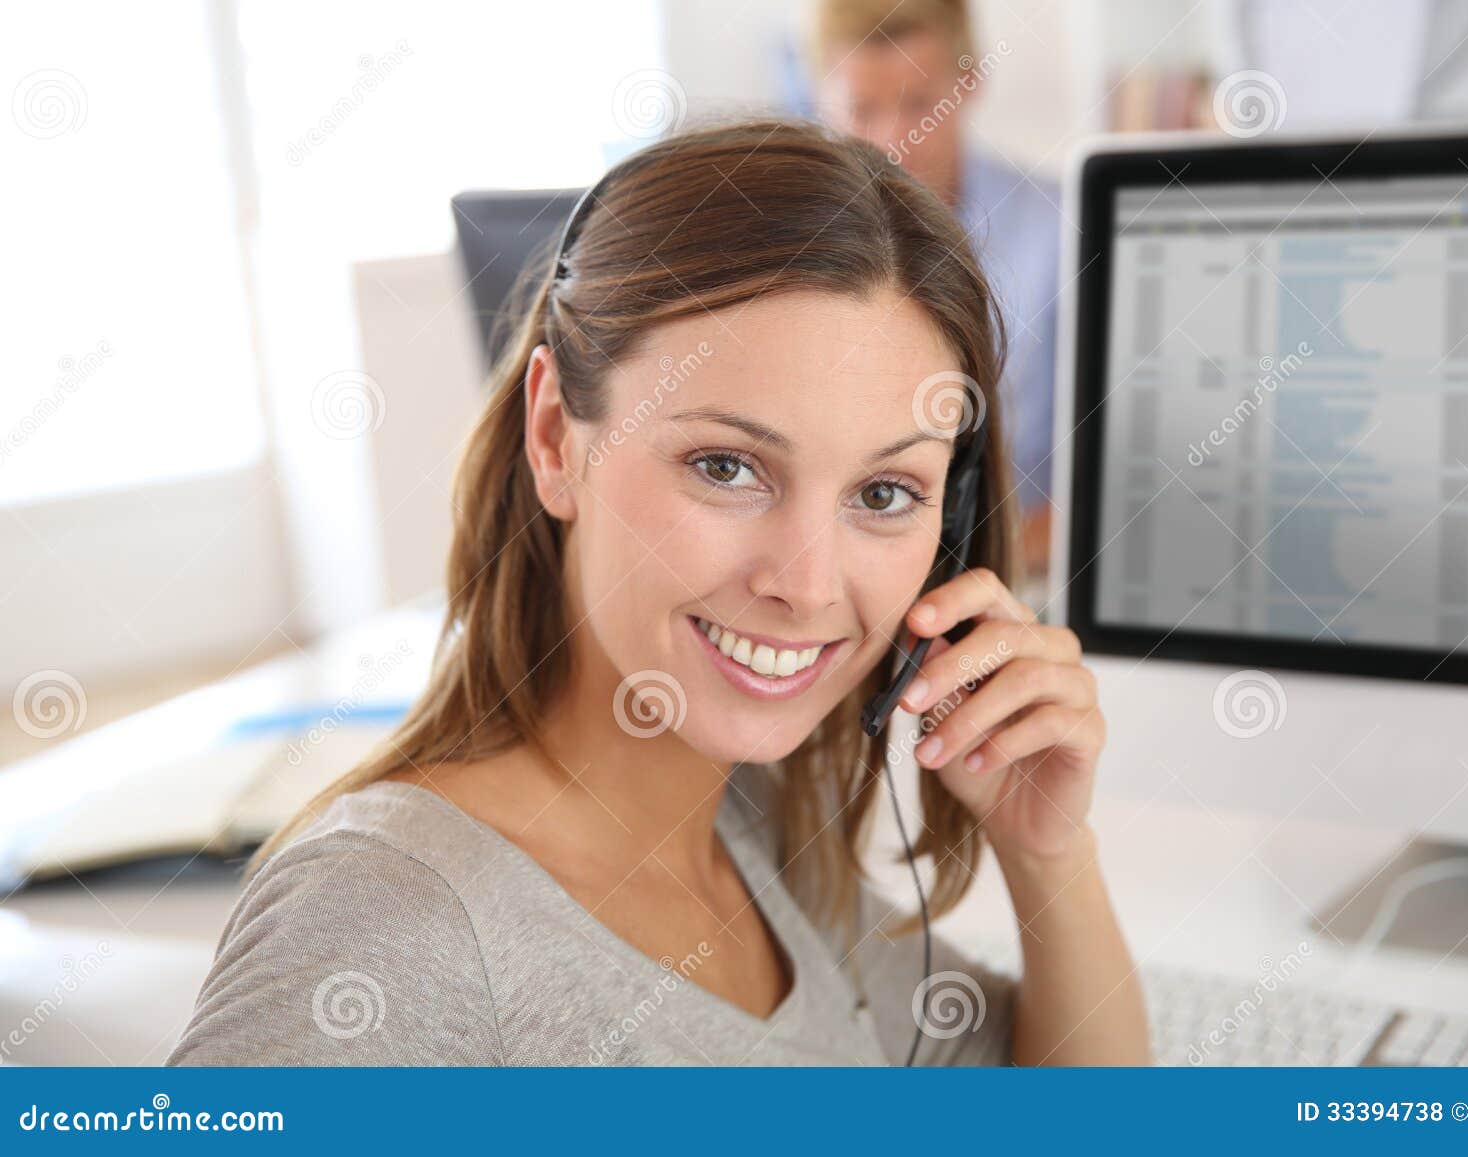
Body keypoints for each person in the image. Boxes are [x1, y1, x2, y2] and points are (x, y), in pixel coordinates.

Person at [167, 120, 1146, 1066]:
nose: (805, 584)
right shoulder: (381, 928)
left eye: (884, 493)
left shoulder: (760, 837)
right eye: (725, 466)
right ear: (555, 436)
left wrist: (1046, 851)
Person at [809, 0, 1062, 577]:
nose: (896, 141)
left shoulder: (1061, 226)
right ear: (820, 95)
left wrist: (955, 564)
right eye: (862, 110)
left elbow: (1110, 479)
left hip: (1014, 572)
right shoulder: (792, 240)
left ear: (969, 80)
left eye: (920, 104)